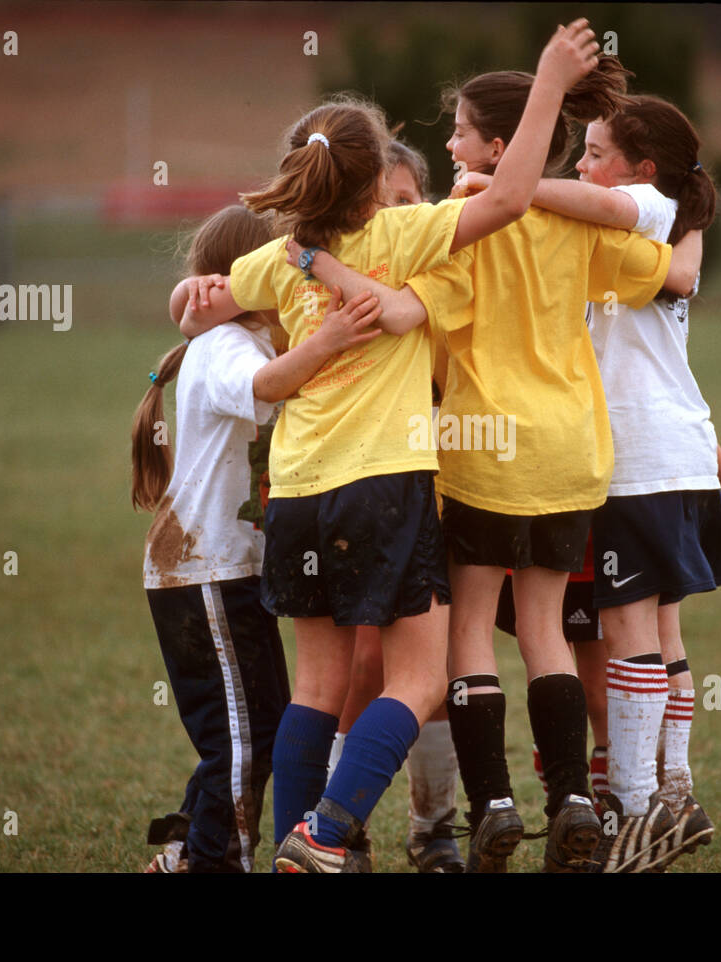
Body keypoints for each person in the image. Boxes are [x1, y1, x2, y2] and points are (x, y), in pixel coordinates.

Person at [174, 19, 609, 873]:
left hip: (296, 492)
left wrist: (191, 296)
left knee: (317, 688)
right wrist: (550, 82)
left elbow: (208, 304)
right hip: (385, 488)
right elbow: (512, 196)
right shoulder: (403, 236)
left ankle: (295, 854)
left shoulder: (278, 256)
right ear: (378, 182)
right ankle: (328, 832)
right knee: (416, 680)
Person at [295, 72, 703, 873]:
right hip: (571, 455)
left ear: (497, 147)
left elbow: (405, 312)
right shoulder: (573, 224)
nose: (449, 146)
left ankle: (494, 806)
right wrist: (698, 224)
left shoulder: (459, 230)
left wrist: (317, 267)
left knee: (472, 631)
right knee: (546, 633)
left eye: (460, 133)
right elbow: (670, 275)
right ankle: (572, 803)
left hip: (484, 454)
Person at [465, 94, 721, 871]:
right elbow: (670, 376)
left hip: (635, 464)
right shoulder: (654, 236)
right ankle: (670, 791)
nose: (581, 162)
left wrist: (508, 186)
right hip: (676, 458)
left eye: (596, 149)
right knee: (663, 640)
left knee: (628, 639)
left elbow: (600, 199)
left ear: (642, 169)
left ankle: (638, 810)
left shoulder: (646, 204)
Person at [135, 205, 383, 872]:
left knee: (256, 730)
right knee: (240, 743)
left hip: (226, 573)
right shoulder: (226, 349)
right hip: (203, 573)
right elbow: (266, 385)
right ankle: (223, 859)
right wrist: (329, 337)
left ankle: (187, 851)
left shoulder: (235, 337)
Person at [324, 138, 467, 873]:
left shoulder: (439, 277)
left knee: (427, 666)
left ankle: (434, 827)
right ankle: (340, 826)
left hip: (434, 481)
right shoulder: (327, 278)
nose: (393, 216)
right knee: (363, 663)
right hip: (353, 485)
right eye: (381, 203)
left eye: (407, 202)